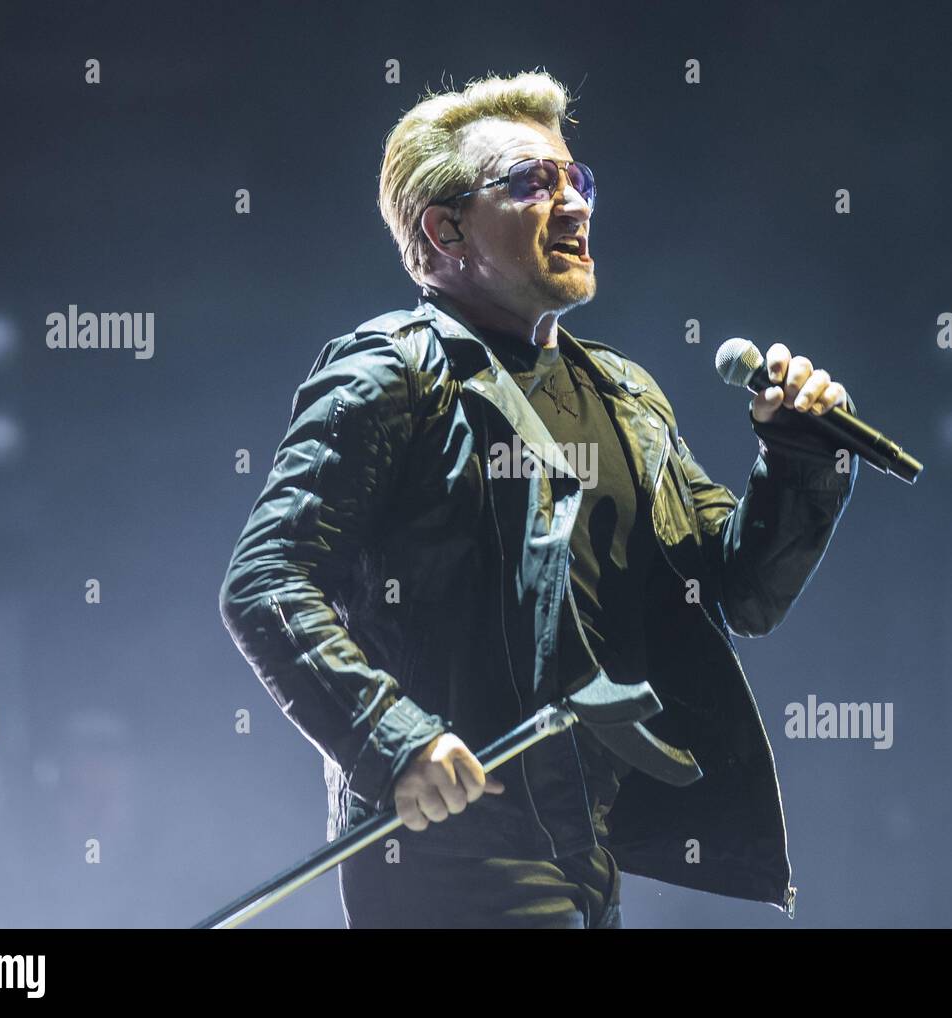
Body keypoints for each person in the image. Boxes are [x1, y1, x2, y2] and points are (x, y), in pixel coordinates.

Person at [219, 70, 858, 928]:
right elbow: (265, 580)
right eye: (531, 183)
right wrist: (393, 739)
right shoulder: (393, 373)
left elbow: (741, 591)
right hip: (449, 851)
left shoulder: (625, 395)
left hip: (585, 850)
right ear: (445, 231)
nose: (574, 203)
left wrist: (797, 456)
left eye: (577, 179)